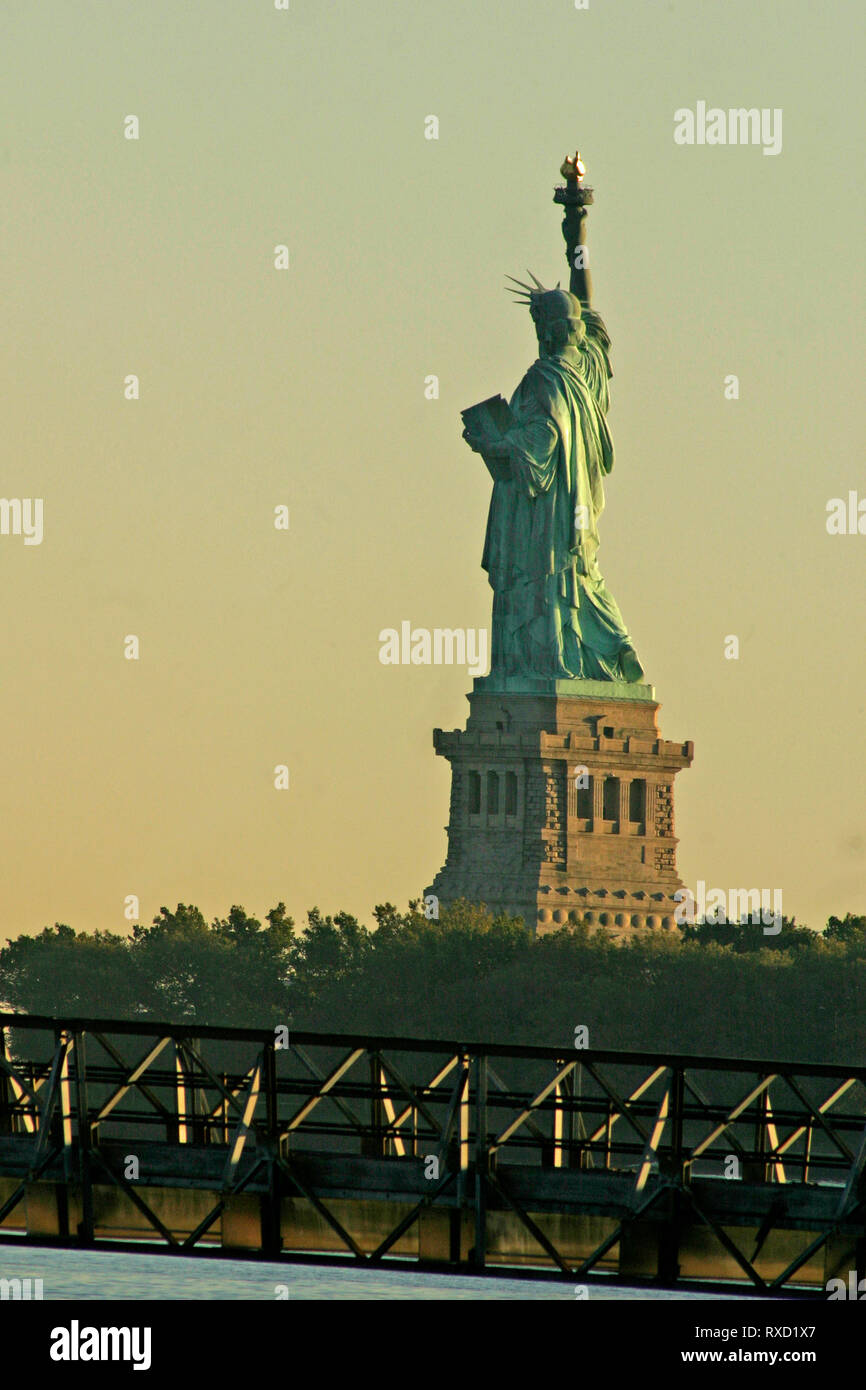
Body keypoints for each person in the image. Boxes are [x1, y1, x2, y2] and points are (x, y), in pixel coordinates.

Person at [463, 270, 645, 684]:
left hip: (544, 512)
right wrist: (576, 235)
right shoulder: (588, 370)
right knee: (582, 578)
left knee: (548, 580)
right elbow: (590, 315)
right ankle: (616, 645)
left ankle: (548, 661)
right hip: (578, 509)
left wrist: (489, 443)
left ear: (546, 332)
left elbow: (540, 444)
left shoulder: (544, 379)